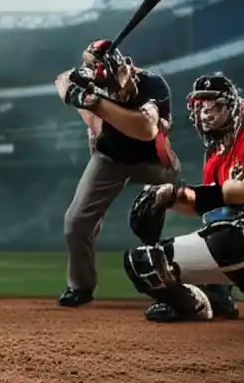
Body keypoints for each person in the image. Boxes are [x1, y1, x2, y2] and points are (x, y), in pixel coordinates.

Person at [123, 72, 244, 343]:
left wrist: (190, 193)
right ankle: (200, 303)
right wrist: (168, 197)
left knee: (229, 230)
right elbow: (209, 206)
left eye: (215, 105)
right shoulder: (213, 159)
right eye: (200, 107)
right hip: (242, 238)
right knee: (145, 262)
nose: (206, 113)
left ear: (235, 108)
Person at [53, 39, 182, 307]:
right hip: (109, 159)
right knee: (76, 223)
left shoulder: (151, 85)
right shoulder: (89, 82)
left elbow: (146, 130)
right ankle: (80, 287)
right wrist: (75, 94)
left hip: (153, 163)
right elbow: (62, 79)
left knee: (160, 222)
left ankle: (192, 286)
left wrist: (95, 103)